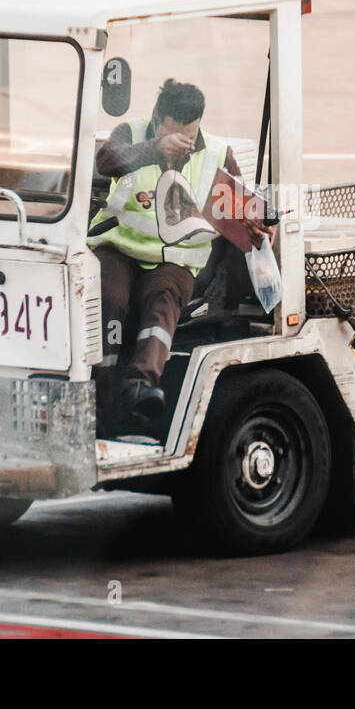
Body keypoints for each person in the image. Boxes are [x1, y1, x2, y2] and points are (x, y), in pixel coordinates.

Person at [88, 79, 272, 440]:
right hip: (119, 245)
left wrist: (256, 223)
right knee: (110, 298)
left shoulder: (217, 152)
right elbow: (106, 160)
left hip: (178, 257)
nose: (183, 144)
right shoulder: (133, 131)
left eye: (189, 135)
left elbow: (240, 207)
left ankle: (139, 389)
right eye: (175, 134)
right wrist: (156, 148)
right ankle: (100, 394)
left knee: (163, 303)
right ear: (159, 119)